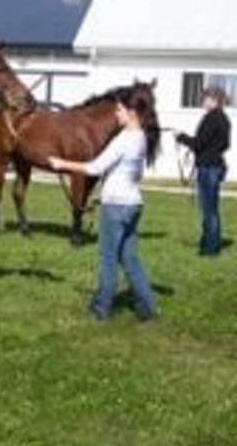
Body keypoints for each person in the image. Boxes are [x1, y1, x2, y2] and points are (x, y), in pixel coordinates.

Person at [50, 87, 161, 321]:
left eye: (119, 109)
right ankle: (148, 307)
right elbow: (133, 174)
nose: (116, 114)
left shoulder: (124, 139)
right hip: (132, 204)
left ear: (132, 112)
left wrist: (62, 163)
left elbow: (94, 168)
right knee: (130, 258)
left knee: (109, 259)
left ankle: (101, 308)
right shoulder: (141, 137)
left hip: (116, 207)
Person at [176, 86, 230, 256]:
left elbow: (199, 143)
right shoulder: (224, 119)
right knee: (211, 209)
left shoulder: (212, 118)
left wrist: (180, 137)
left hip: (208, 168)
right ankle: (208, 243)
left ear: (214, 100)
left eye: (205, 98)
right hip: (214, 165)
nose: (203, 101)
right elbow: (225, 144)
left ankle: (210, 248)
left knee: (208, 210)